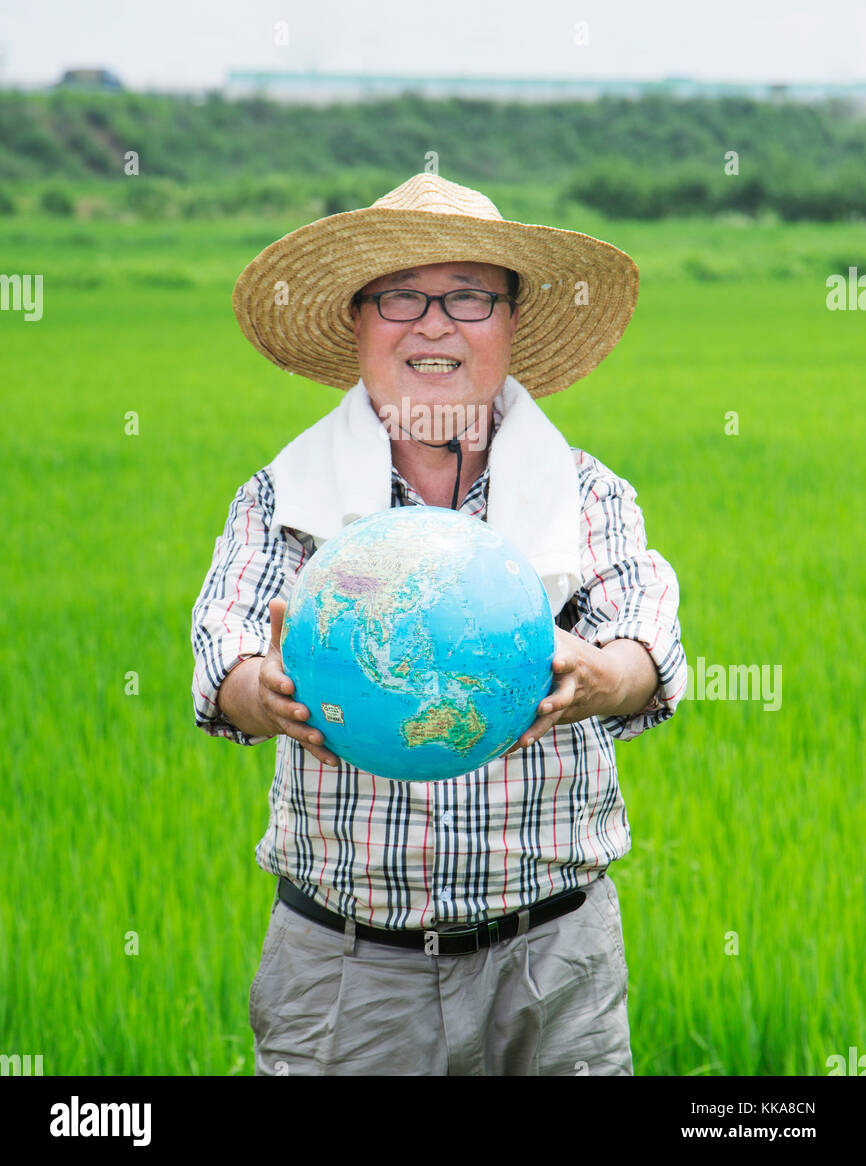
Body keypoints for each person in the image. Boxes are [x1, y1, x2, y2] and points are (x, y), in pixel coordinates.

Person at [191, 171, 687, 1077]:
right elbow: (221, 646)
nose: (432, 323)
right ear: (357, 322)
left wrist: (600, 676)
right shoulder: (284, 499)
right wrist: (264, 691)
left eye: (467, 296)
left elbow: (647, 642)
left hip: (553, 961)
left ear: (511, 323)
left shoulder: (586, 496)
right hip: (346, 969)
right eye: (400, 297)